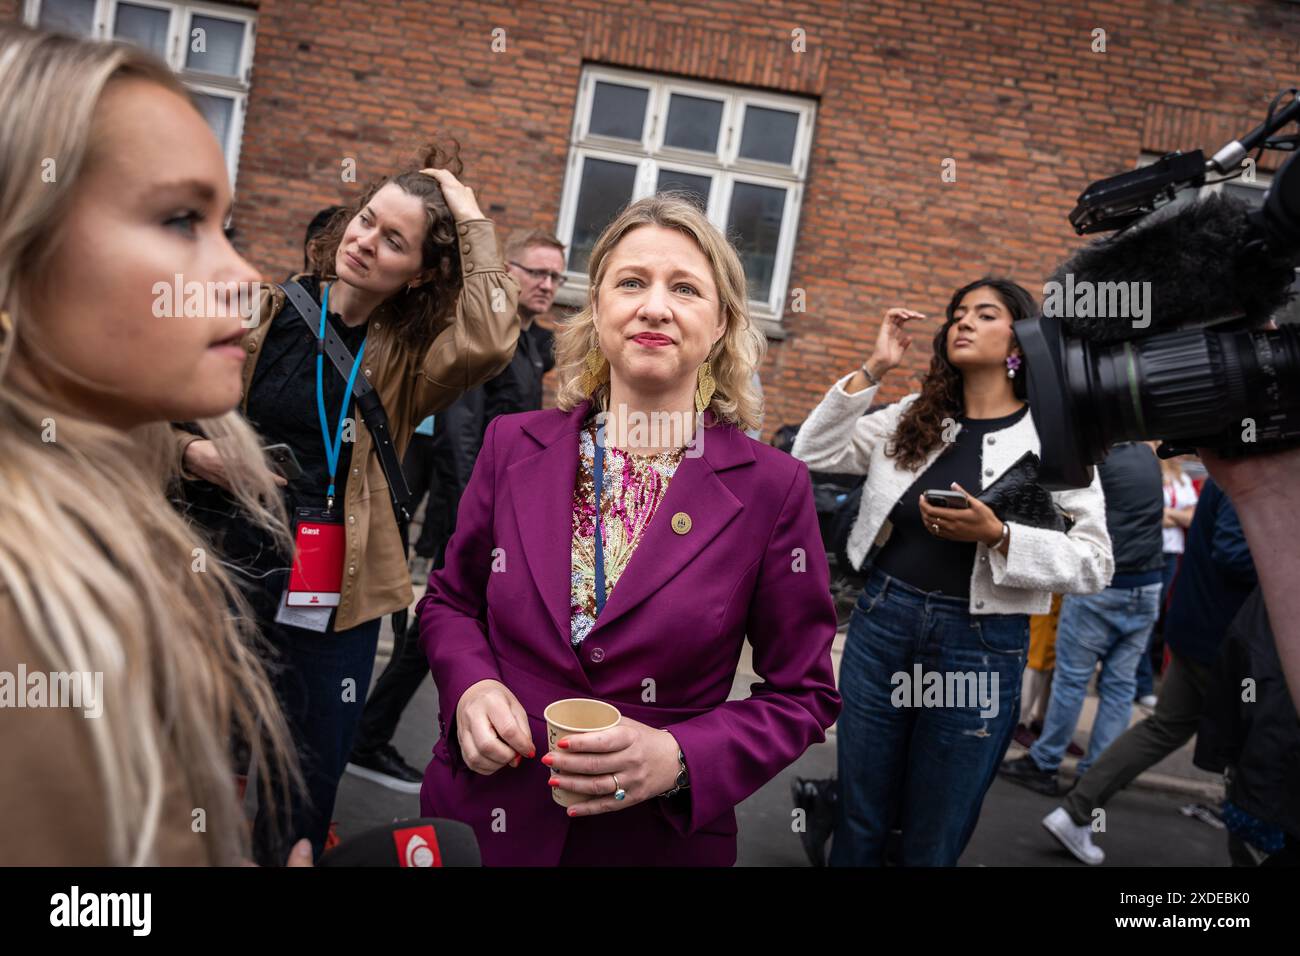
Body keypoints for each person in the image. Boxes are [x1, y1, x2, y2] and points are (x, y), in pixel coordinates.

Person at [417, 194, 841, 866]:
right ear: (597, 310)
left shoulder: (772, 488)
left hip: (651, 840)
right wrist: (469, 684)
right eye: (632, 282)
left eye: (685, 289)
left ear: (724, 323)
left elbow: (804, 693)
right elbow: (449, 601)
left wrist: (681, 758)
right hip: (486, 816)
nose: (654, 307)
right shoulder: (511, 445)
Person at [0, 25, 308, 866]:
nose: (246, 277)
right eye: (179, 220)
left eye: (227, 226)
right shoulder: (30, 620)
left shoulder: (100, 516)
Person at [175, 142, 520, 863]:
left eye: (395, 240)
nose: (366, 242)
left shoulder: (410, 359)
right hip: (217, 571)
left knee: (304, 773)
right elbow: (148, 416)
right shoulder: (259, 311)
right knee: (186, 755)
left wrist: (466, 212)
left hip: (332, 590)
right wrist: (193, 455)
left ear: (422, 271)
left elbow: (490, 338)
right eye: (367, 221)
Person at [792, 279, 1113, 866]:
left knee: (935, 830)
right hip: (884, 622)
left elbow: (1094, 562)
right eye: (957, 314)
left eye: (984, 314)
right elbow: (811, 453)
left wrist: (999, 535)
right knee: (861, 813)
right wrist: (874, 367)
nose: (962, 322)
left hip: (982, 645)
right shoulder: (915, 418)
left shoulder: (1054, 438)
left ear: (1019, 343)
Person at [346, 229, 563, 791]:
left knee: (460, 633)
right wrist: (483, 517)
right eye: (536, 272)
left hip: (503, 519)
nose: (547, 284)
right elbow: (458, 435)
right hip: (477, 517)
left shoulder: (532, 343)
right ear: (505, 271)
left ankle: (413, 738)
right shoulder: (487, 343)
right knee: (439, 628)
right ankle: (371, 736)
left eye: (557, 276)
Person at [1035, 479, 1256, 865]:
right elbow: (1234, 553)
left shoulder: (1234, 466)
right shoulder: (1255, 472)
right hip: (1219, 636)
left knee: (1159, 722)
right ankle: (1252, 841)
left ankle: (1075, 807)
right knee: (1251, 742)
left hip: (1194, 624)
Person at [1000, 440, 1164, 794]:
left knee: (1071, 679)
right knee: (1120, 687)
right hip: (1148, 584)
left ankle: (1044, 763)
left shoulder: (1096, 462)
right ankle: (1096, 775)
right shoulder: (1146, 457)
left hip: (1105, 585)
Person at [1135, 449, 1199, 706]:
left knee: (1154, 618)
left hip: (1171, 554)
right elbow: (1151, 515)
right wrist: (1177, 516)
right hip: (1149, 552)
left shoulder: (1182, 479)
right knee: (1143, 620)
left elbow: (1191, 517)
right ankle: (1140, 683)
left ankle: (1141, 681)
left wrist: (1170, 515)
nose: (1182, 456)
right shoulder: (1152, 475)